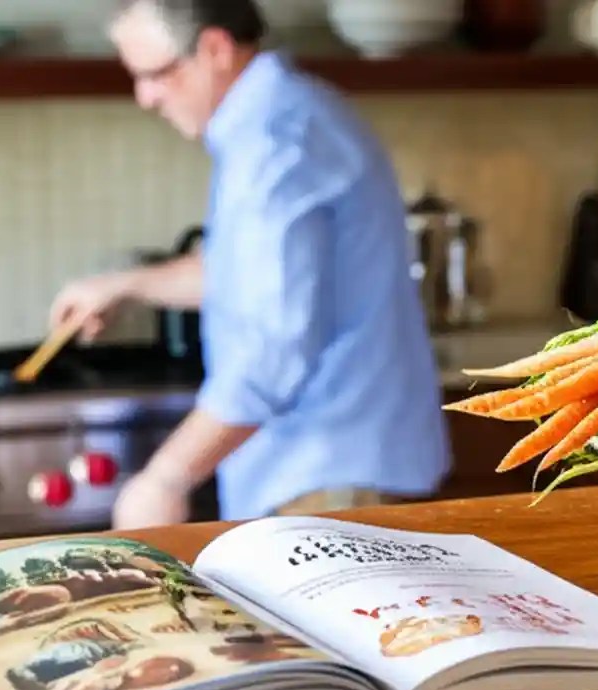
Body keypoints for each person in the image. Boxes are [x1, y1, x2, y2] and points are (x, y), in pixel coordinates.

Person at [50, 0, 451, 528]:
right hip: (337, 467)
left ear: (215, 49)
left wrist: (166, 478)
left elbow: (272, 351)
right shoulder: (288, 113)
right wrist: (125, 285)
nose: (144, 96)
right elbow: (247, 275)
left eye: (155, 74)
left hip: (328, 475)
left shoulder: (275, 141)